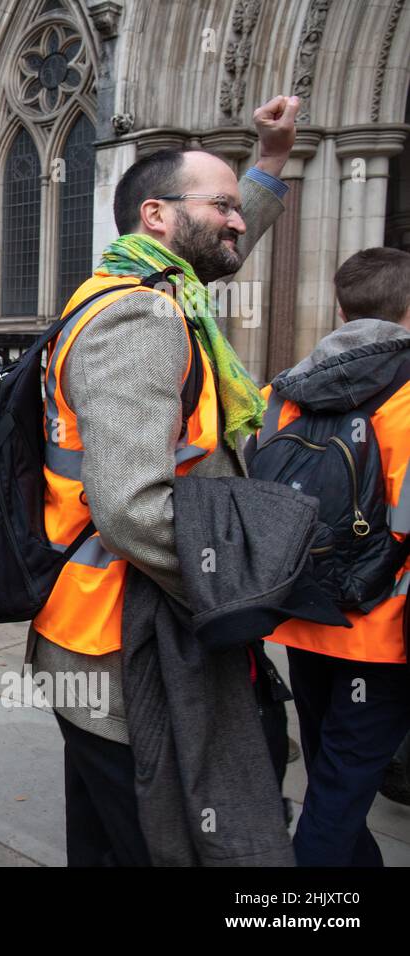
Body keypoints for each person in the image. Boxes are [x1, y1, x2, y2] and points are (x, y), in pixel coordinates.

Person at [28, 95, 300, 865]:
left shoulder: (156, 290)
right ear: (155, 215)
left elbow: (221, 243)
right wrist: (239, 587)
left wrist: (270, 161)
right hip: (119, 646)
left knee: (110, 840)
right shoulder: (141, 319)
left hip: (105, 640)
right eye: (222, 205)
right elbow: (129, 506)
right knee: (162, 843)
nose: (236, 221)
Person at [262, 247, 410, 866]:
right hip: (380, 632)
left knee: (331, 772)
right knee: (341, 792)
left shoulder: (285, 390)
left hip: (304, 617)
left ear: (342, 309)